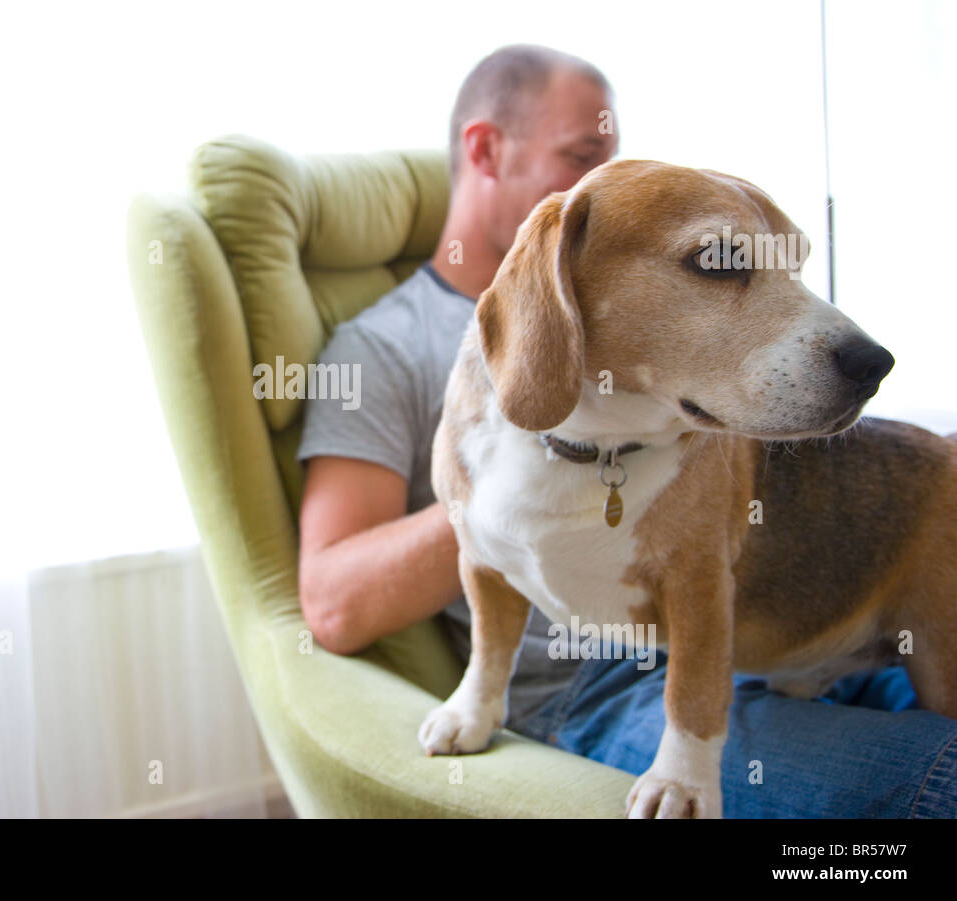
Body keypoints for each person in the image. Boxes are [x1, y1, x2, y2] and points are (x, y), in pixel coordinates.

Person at [295, 43, 957, 818]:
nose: (603, 176)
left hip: (786, 635)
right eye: (582, 154)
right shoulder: (384, 347)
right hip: (595, 684)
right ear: (486, 149)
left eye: (612, 154)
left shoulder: (668, 378)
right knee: (940, 781)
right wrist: (525, 494)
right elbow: (334, 604)